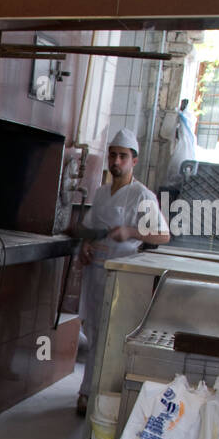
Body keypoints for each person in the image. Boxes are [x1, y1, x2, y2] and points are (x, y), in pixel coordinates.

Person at [75, 128, 171, 416]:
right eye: (113, 155)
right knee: (92, 332)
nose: (116, 161)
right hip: (96, 274)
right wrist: (86, 244)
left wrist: (130, 231)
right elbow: (91, 228)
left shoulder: (143, 196)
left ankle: (96, 396)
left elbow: (163, 235)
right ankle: (87, 393)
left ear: (134, 161)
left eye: (123, 156)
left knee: (109, 338)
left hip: (121, 278)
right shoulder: (103, 193)